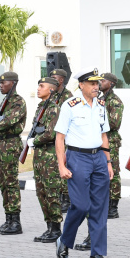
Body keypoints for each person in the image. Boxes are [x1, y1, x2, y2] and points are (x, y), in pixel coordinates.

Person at [53, 69, 113, 258]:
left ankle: (96, 254)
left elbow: (104, 135)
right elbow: (60, 138)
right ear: (81, 85)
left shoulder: (101, 105)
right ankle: (64, 240)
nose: (97, 87)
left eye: (98, 83)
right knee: (81, 205)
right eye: (92, 84)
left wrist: (109, 162)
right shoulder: (70, 106)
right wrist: (62, 165)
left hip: (98, 159)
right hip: (78, 157)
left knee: (99, 208)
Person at [0, 72, 27, 235]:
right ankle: (8, 219)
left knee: (10, 182)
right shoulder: (6, 101)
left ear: (13, 83)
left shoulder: (18, 102)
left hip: (10, 144)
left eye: (3, 83)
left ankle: (15, 222)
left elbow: (10, 120)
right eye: (0, 83)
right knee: (3, 183)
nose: (0, 86)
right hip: (2, 144)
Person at [28, 76, 64, 243]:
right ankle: (49, 226)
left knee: (51, 193)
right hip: (39, 157)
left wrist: (34, 141)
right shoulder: (40, 108)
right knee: (41, 192)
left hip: (49, 157)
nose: (38, 88)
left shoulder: (54, 109)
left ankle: (56, 228)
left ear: (50, 89)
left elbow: (51, 133)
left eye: (41, 86)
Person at [50, 68, 73, 213]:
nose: (52, 80)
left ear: (61, 80)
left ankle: (67, 199)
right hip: (54, 135)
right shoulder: (53, 95)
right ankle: (60, 196)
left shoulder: (68, 96)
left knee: (65, 165)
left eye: (55, 78)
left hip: (64, 136)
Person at [101, 72, 123, 219]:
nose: (100, 82)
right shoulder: (100, 99)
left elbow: (114, 123)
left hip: (111, 140)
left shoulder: (115, 101)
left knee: (112, 173)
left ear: (111, 84)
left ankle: (113, 207)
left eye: (103, 80)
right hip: (99, 140)